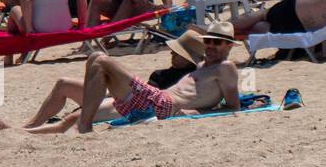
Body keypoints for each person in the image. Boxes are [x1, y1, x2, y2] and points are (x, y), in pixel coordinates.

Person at [0, 29, 206, 134]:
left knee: (76, 115)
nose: (171, 54)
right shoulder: (164, 72)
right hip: (113, 92)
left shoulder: (186, 78)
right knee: (63, 83)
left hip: (126, 104)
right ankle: (31, 124)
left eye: (176, 53)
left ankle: (26, 133)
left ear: (187, 57)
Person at [72, 23, 240, 133]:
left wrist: (196, 112)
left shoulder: (226, 67)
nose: (210, 46)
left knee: (100, 59)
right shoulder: (202, 66)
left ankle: (85, 126)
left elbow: (233, 107)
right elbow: (208, 97)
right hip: (154, 102)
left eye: (217, 43)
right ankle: (79, 123)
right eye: (208, 41)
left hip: (161, 105)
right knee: (96, 58)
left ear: (229, 45)